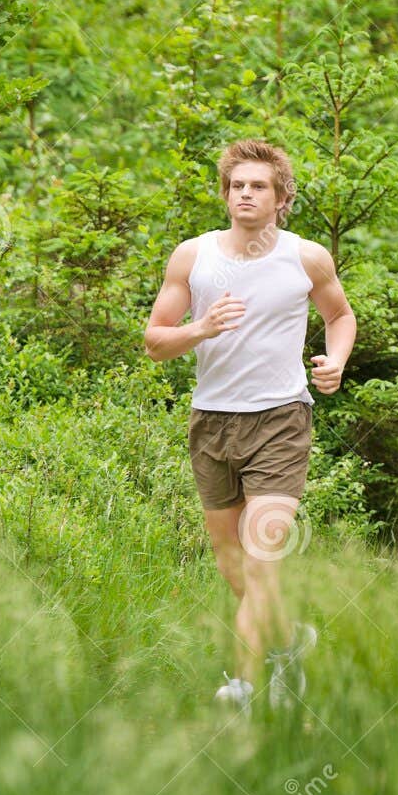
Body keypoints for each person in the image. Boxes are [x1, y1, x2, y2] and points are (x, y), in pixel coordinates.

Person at [142, 140, 356, 713]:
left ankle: (243, 687)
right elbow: (155, 341)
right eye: (237, 185)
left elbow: (339, 315)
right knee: (232, 565)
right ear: (225, 193)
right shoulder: (193, 257)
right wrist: (201, 329)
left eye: (258, 186)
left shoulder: (306, 257)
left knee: (261, 561)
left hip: (281, 420)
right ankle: (288, 645)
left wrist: (335, 361)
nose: (245, 194)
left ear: (281, 197)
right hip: (212, 422)